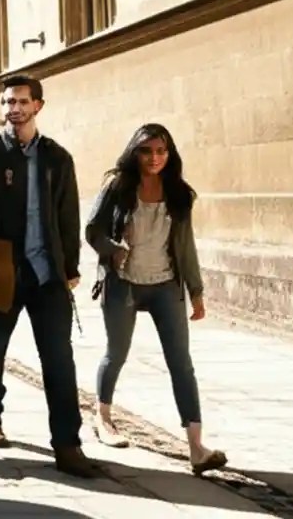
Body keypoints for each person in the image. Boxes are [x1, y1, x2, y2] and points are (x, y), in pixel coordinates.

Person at [0, 74, 97, 477]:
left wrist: (70, 267)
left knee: (59, 358)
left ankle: (68, 444)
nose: (13, 108)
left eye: (21, 101)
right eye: (7, 102)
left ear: (38, 106)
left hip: (47, 274)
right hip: (0, 271)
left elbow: (69, 217)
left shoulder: (57, 157)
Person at [85, 123, 227, 474]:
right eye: (147, 151)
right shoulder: (117, 187)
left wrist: (196, 291)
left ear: (170, 153)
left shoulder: (179, 193)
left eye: (161, 151)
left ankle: (196, 446)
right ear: (135, 152)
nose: (154, 158)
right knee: (116, 353)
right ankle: (102, 416)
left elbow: (186, 246)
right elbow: (92, 230)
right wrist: (113, 249)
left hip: (166, 285)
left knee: (181, 363)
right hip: (123, 283)